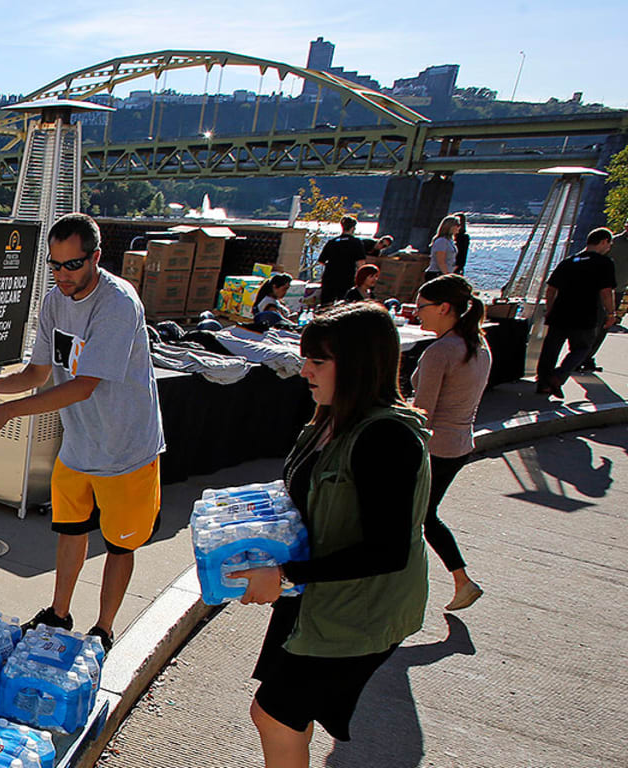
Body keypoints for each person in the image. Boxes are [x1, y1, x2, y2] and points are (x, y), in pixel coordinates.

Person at [0, 212, 163, 652]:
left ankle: (104, 627)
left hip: (125, 448)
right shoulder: (53, 300)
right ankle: (59, 614)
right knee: (70, 530)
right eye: (54, 265)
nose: (62, 275)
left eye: (73, 265)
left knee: (120, 545)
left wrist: (7, 414)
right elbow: (39, 373)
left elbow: (84, 386)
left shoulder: (118, 303)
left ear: (96, 258)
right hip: (78, 444)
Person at [231, 302, 431, 766]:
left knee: (276, 714)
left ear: (359, 364)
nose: (304, 371)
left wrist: (283, 572)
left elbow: (387, 551)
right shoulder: (331, 417)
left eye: (317, 361)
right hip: (314, 599)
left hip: (353, 614)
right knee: (278, 714)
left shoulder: (386, 438)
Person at [412, 275, 491, 611]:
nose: (417, 315)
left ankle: (457, 581)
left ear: (444, 308)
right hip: (459, 445)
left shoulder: (440, 351)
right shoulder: (479, 346)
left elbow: (422, 413)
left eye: (421, 308)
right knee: (423, 517)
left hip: (434, 448)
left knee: (418, 518)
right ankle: (461, 581)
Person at [535, 228, 618, 398]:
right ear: (603, 241)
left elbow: (551, 289)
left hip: (560, 312)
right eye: (609, 243)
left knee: (550, 349)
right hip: (585, 314)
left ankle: (543, 383)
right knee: (581, 348)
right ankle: (558, 376)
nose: (609, 247)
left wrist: (550, 309)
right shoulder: (604, 263)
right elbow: (606, 291)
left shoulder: (569, 261)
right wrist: (611, 314)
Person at [580, 222, 628, 372]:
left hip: (618, 290)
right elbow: (587, 255)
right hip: (599, 290)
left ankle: (587, 357)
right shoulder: (613, 243)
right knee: (591, 325)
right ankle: (579, 356)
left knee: (604, 326)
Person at [316, 215, 363, 307]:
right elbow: (360, 263)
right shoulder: (356, 242)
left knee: (326, 304)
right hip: (346, 277)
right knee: (343, 304)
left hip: (330, 277)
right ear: (353, 228)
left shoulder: (332, 242)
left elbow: (321, 261)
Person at [425, 215, 461, 282]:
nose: (459, 227)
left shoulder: (450, 241)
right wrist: (447, 276)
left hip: (446, 273)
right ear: (451, 227)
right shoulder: (441, 241)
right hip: (437, 274)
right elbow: (440, 261)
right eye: (457, 225)